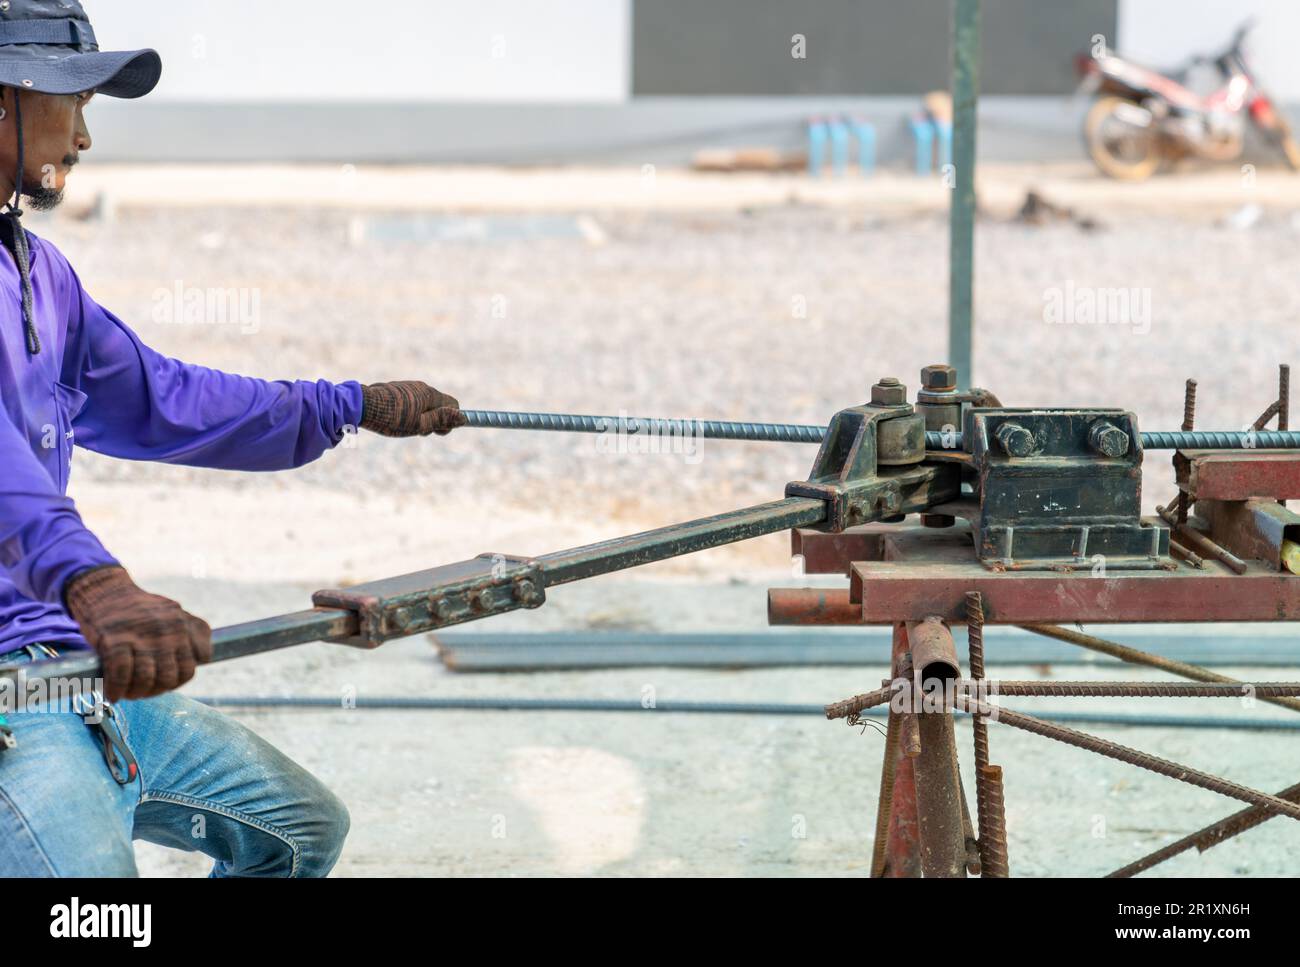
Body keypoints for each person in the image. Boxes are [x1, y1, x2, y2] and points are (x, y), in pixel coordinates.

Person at [0, 1, 464, 876]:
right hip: (9, 696)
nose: (86, 137)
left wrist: (345, 404)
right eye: (74, 103)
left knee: (297, 831)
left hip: (66, 659)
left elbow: (162, 400)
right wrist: (94, 583)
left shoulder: (37, 271)